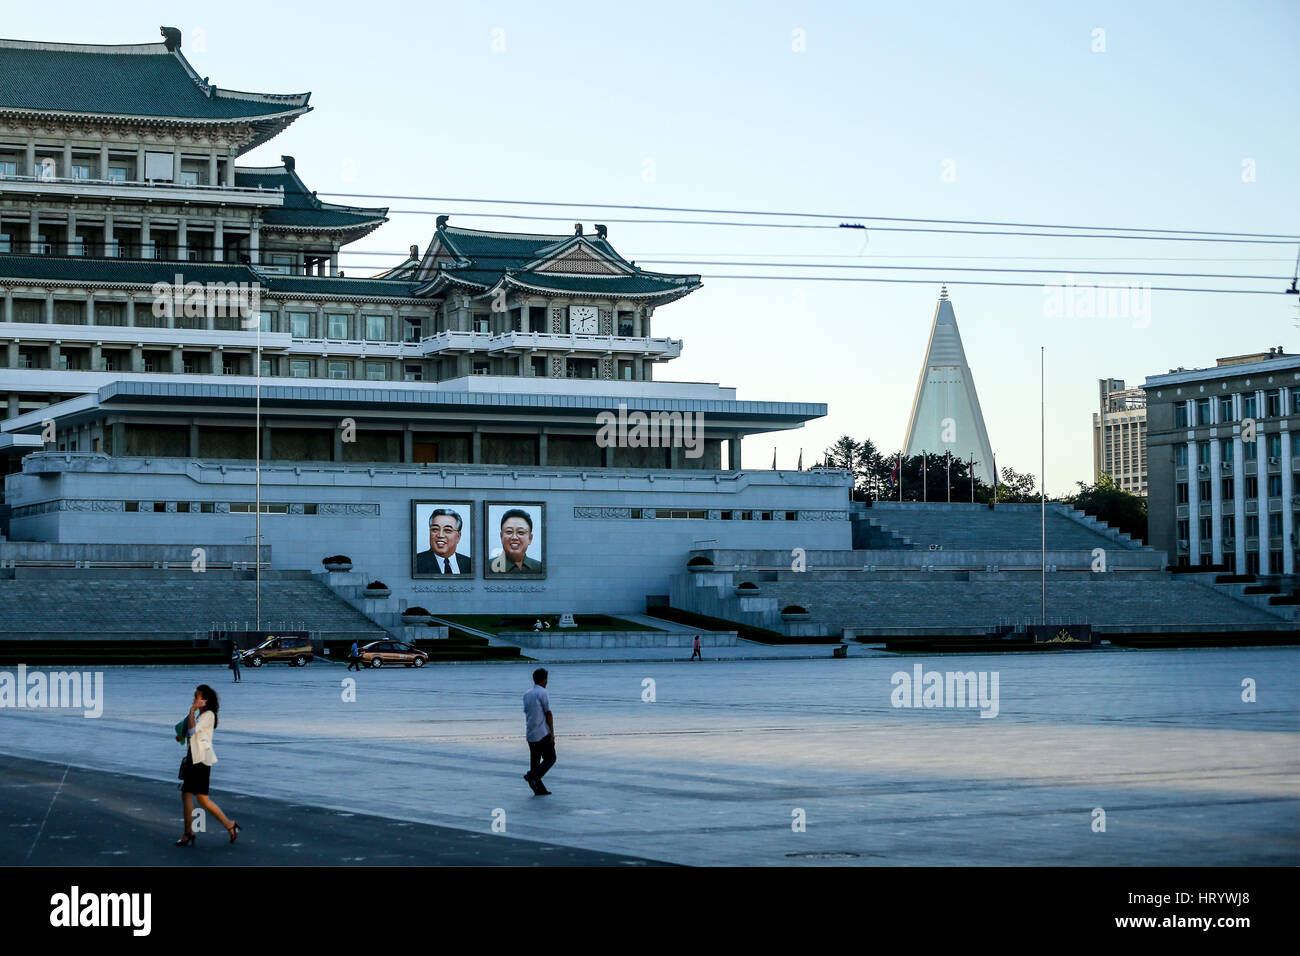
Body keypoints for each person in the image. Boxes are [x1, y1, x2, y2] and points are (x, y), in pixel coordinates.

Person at [176, 684, 240, 846]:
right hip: (197, 758)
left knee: (189, 795)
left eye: (196, 696)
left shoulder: (208, 715)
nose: (194, 699)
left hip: (199, 761)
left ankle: (188, 832)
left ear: (204, 700)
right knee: (201, 799)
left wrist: (191, 711)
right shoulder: (203, 715)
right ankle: (229, 825)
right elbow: (191, 735)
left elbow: (192, 732)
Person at [522, 668, 555, 795]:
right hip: (542, 732)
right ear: (543, 680)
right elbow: (548, 713)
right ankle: (532, 776)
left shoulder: (526, 694)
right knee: (550, 757)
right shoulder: (543, 692)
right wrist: (552, 733)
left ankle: (538, 789)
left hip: (530, 732)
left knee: (535, 761)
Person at [415, 508, 472, 575]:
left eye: (447, 530)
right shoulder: (415, 562)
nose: (440, 535)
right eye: (435, 529)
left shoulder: (469, 563)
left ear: (458, 536)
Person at [489, 508, 543, 574]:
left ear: (530, 538)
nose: (514, 537)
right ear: (501, 536)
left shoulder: (540, 568)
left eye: (520, 532)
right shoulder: (488, 567)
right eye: (509, 532)